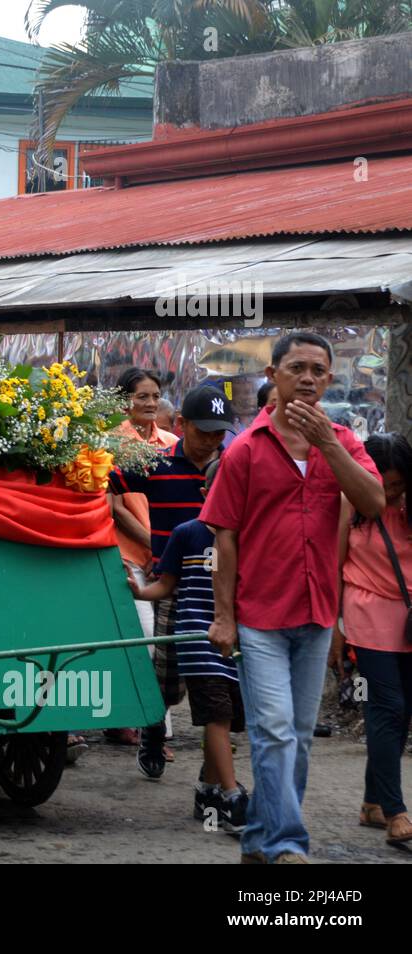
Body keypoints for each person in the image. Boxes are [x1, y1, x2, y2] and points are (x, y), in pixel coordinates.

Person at [202, 332, 385, 864]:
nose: (308, 378)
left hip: (317, 609)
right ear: (274, 377)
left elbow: (372, 501)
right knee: (275, 730)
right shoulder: (244, 450)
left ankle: (259, 841)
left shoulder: (345, 443)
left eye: (318, 370)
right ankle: (286, 845)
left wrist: (328, 444)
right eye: (297, 368)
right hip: (260, 615)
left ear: (330, 380)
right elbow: (225, 536)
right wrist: (224, 616)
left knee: (298, 737)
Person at [109, 387, 237, 776]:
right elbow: (109, 487)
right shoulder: (155, 464)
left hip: (228, 591)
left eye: (219, 434)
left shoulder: (233, 468)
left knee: (219, 678)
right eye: (203, 432)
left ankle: (213, 765)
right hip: (174, 585)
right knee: (167, 674)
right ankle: (153, 729)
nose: (211, 442)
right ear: (182, 425)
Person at [130, 460, 250, 832]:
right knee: (216, 715)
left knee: (228, 720)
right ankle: (232, 796)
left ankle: (207, 789)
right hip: (197, 640)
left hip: (238, 646)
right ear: (205, 493)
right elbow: (167, 585)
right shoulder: (187, 533)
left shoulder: (249, 535)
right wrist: (140, 592)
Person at [333, 433, 412, 847]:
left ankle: (371, 803)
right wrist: (332, 628)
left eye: (398, 485)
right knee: (388, 706)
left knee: (403, 710)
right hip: (366, 611)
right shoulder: (353, 502)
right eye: (384, 484)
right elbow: (335, 563)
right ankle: (397, 812)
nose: (391, 493)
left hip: (409, 617)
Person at [103, 367, 179, 748]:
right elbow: (114, 507)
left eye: (154, 396)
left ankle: (153, 729)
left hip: (164, 556)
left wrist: (167, 549)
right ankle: (136, 720)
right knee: (144, 640)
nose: (149, 403)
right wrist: (154, 544)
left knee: (166, 646)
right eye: (141, 397)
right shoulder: (112, 443)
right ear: (124, 402)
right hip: (129, 555)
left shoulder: (170, 442)